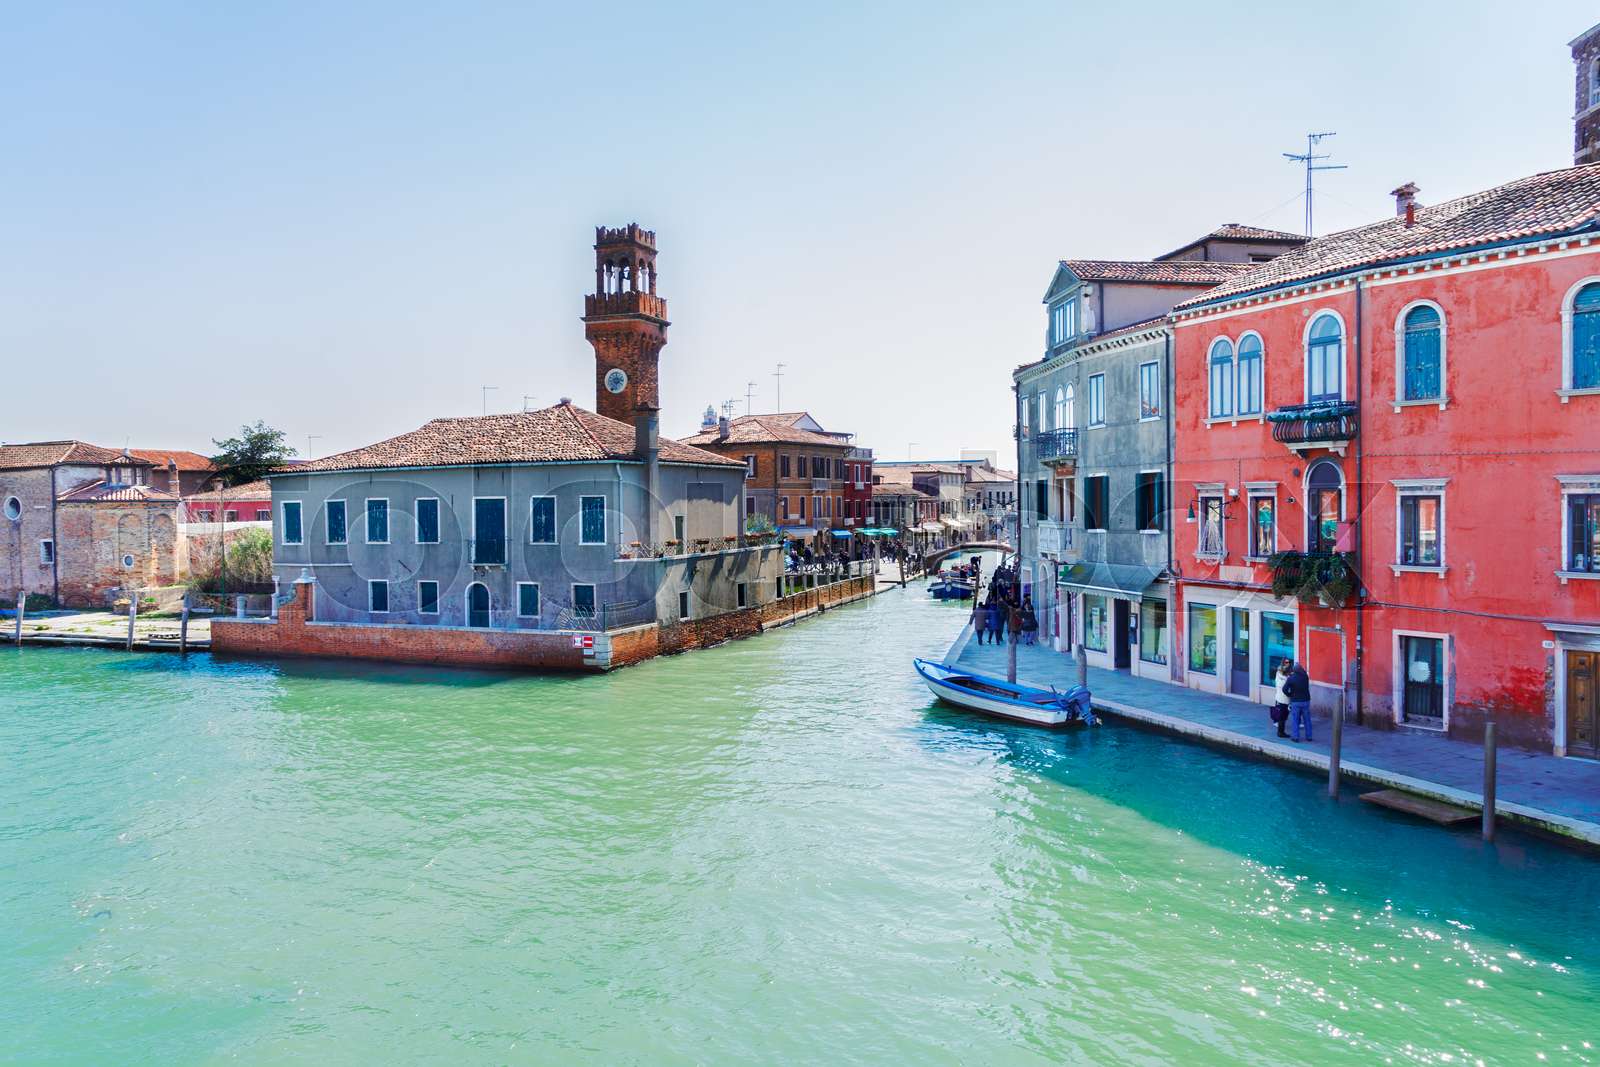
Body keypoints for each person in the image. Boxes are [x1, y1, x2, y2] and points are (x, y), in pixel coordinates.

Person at [1285, 660, 1313, 742]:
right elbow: (1303, 673)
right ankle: (1309, 736)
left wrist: (1290, 694)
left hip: (1295, 701)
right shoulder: (1305, 677)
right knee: (1307, 719)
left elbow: (1284, 689)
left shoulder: (1291, 679)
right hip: (1306, 701)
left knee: (1295, 719)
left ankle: (1295, 737)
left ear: (1294, 671)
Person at [1271, 659, 1292, 739]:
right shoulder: (1286, 680)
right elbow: (1287, 689)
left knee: (1280, 715)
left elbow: (1280, 670)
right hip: (1284, 700)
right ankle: (1281, 733)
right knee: (1283, 717)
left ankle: (1280, 730)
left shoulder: (1278, 675)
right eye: (1286, 662)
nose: (1288, 663)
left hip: (1278, 698)